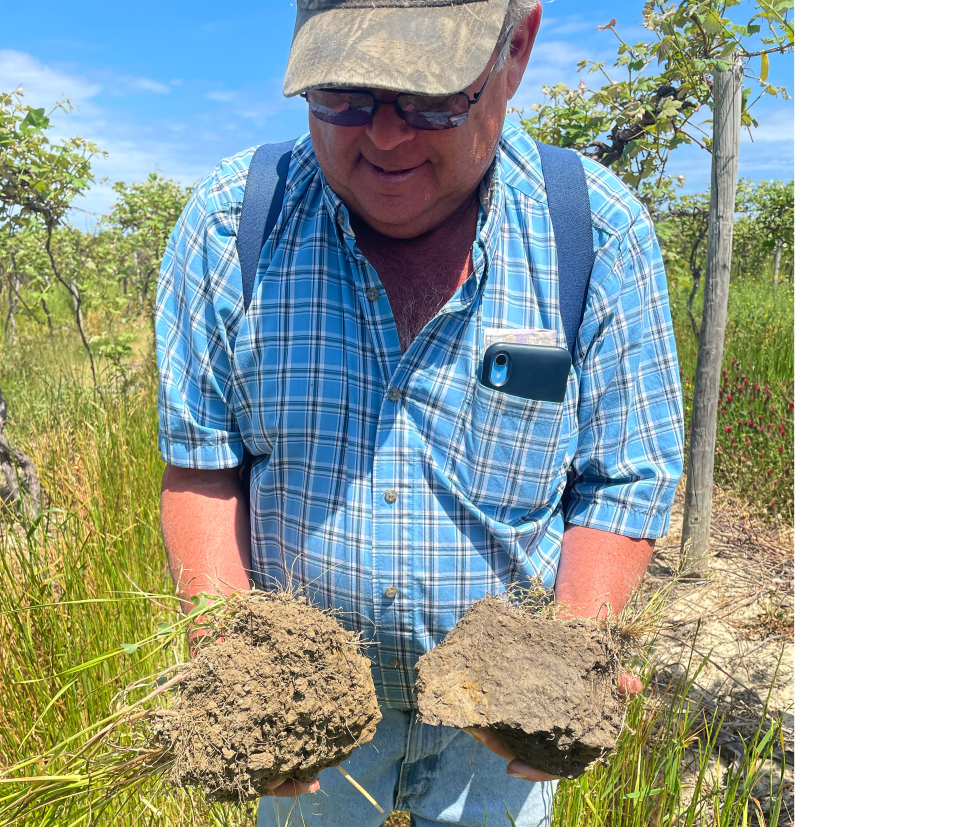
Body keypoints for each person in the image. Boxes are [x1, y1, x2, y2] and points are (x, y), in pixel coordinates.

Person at [154, 0, 685, 824]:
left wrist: (571, 661)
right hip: (311, 733)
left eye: (432, 99)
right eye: (347, 96)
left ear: (514, 51)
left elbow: (626, 476)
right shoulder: (232, 229)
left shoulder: (595, 235)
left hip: (495, 737)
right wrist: (231, 667)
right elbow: (201, 462)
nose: (388, 134)